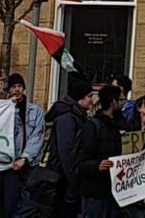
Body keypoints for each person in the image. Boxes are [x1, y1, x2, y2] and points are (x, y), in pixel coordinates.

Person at [45, 76, 95, 218]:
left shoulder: (78, 116)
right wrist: (73, 179)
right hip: (63, 180)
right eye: (89, 96)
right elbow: (65, 151)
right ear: (80, 98)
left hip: (69, 178)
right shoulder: (66, 118)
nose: (92, 100)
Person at [0, 72, 45, 218]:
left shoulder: (35, 111)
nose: (17, 90)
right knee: (9, 204)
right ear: (8, 91)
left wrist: (25, 158)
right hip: (10, 165)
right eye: (13, 87)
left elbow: (37, 137)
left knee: (32, 203)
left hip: (29, 164)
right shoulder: (3, 111)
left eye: (19, 86)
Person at [77, 85, 125, 218]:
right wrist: (97, 165)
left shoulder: (115, 126)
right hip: (95, 191)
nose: (123, 103)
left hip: (111, 190)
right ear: (113, 102)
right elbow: (81, 161)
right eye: (121, 100)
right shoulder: (93, 126)